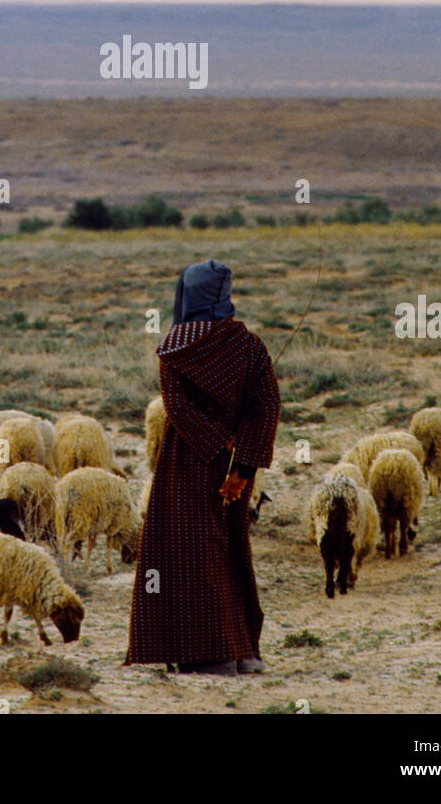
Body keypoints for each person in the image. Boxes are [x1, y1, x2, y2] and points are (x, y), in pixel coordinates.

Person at [125, 259, 281, 676]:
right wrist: (242, 463)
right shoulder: (250, 346)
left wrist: (215, 443)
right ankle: (245, 650)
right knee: (231, 548)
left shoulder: (176, 345)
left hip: (186, 463)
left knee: (187, 551)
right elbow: (266, 408)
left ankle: (209, 654)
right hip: (235, 471)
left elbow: (176, 407)